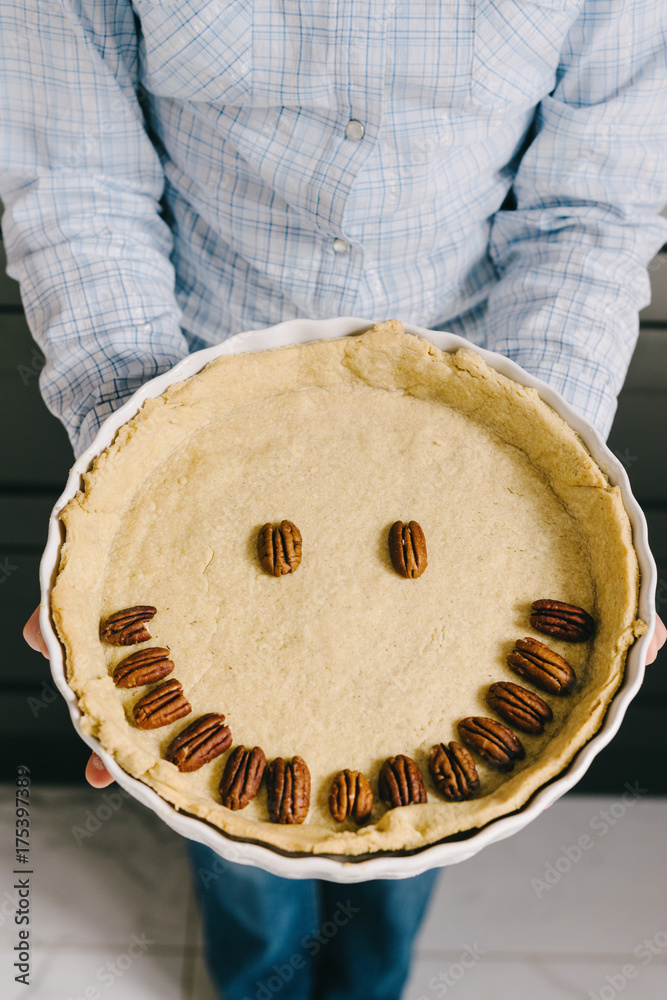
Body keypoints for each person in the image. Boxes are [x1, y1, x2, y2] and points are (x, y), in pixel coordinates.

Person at [5, 2, 667, 997]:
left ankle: (369, 979)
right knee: (235, 856)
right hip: (191, 377)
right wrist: (134, 452)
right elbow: (75, 188)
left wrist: (543, 458)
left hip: (480, 399)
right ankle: (260, 979)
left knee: (427, 809)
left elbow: (590, 212)